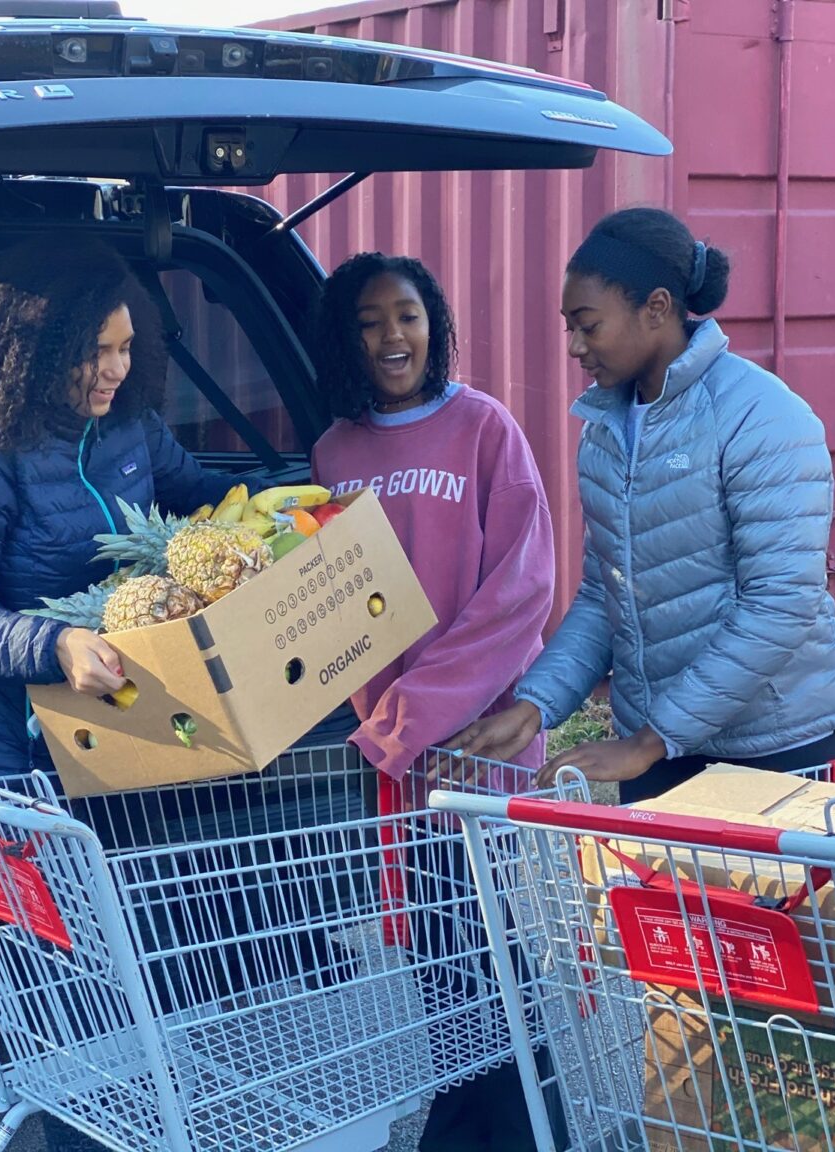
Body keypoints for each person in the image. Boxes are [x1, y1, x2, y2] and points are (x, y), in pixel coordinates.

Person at [451, 207, 835, 803]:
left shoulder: (761, 416)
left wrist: (648, 741)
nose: (574, 347)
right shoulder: (604, 430)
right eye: (569, 326)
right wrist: (535, 705)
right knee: (659, 903)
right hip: (659, 750)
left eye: (589, 325)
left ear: (657, 308)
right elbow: (603, 596)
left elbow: (781, 604)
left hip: (776, 747)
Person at [310, 252, 560, 1152]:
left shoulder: (484, 429)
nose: (392, 337)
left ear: (436, 322)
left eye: (408, 315)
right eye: (370, 320)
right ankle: (514, 1128)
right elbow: (329, 611)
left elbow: (521, 592)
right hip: (395, 752)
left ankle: (493, 1130)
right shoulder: (334, 455)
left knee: (481, 944)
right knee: (443, 955)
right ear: (345, 335)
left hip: (474, 739)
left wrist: (417, 711)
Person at [0, 234, 229, 782]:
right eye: (95, 351)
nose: (117, 369)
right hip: (5, 753)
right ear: (38, 350)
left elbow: (206, 494)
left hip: (121, 728)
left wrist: (310, 504)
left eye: (126, 346)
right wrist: (54, 644)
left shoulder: (130, 427)